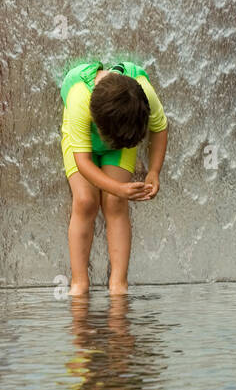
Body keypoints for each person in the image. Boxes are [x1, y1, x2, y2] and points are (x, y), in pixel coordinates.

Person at [59, 59, 168, 295]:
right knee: (85, 201)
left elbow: (159, 128)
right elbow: (83, 162)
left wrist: (153, 171)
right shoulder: (79, 100)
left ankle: (118, 283)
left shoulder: (143, 96)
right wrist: (119, 187)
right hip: (81, 144)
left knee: (115, 202)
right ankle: (79, 282)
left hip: (120, 133)